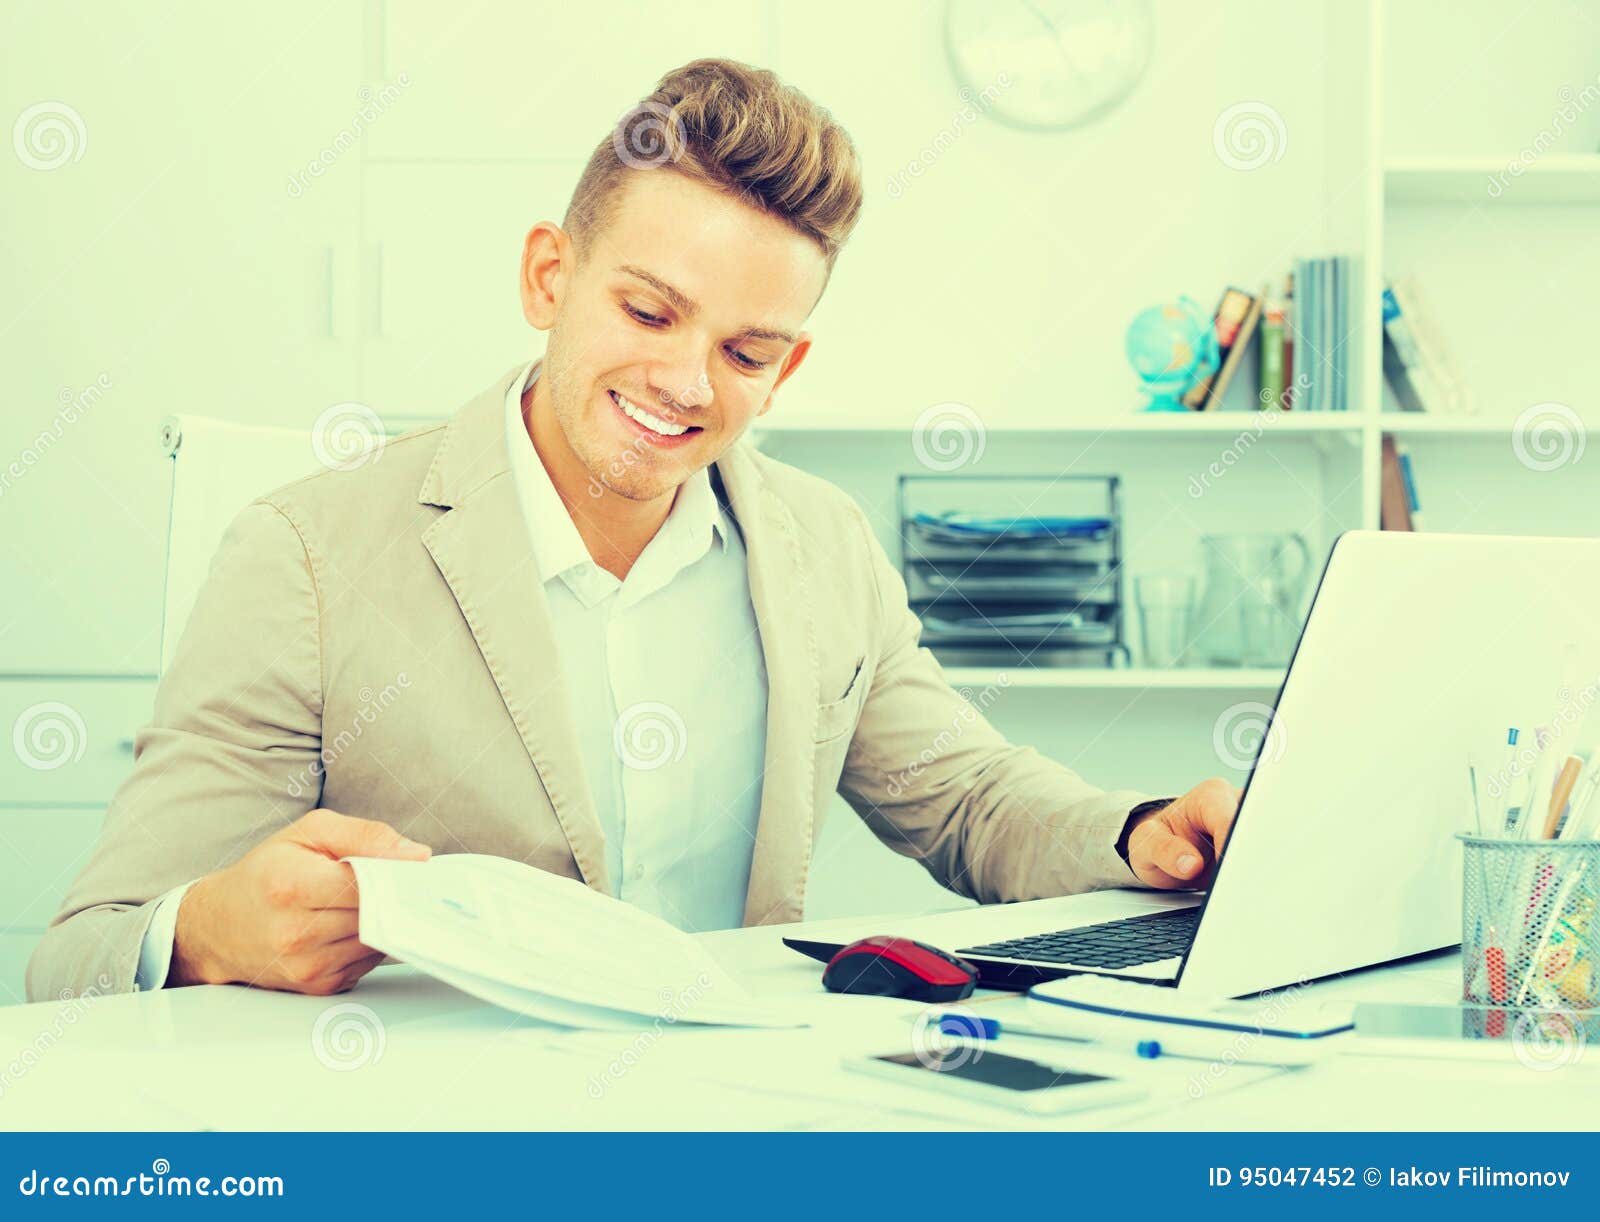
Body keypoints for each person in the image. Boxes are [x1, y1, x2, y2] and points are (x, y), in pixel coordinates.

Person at [30, 58, 1239, 1001]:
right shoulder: (304, 552)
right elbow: (80, 953)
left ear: (790, 365)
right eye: (649, 310)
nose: (686, 381)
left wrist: (1141, 835)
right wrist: (209, 931)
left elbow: (966, 798)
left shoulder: (820, 547)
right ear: (549, 278)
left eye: (745, 351)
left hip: (735, 1115)